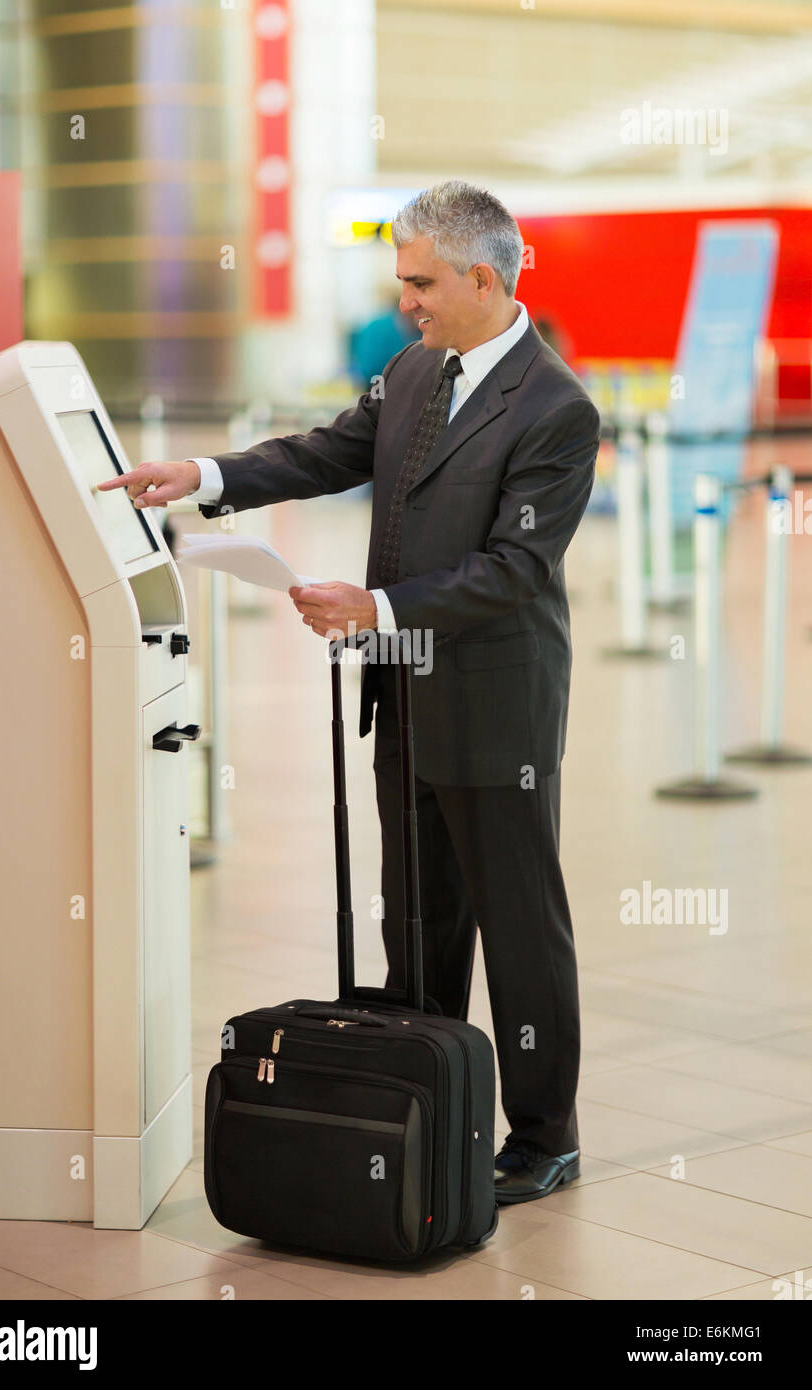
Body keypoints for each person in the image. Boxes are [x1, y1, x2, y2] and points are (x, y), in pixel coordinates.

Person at [100, 180, 600, 1204]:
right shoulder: (414, 372)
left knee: (516, 923)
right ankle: (425, 1098)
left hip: (493, 706)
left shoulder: (556, 406)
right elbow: (328, 452)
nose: (404, 299)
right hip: (405, 698)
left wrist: (373, 607)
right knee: (416, 919)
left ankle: (544, 1134)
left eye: (419, 282)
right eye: (400, 280)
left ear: (482, 277)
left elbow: (513, 569)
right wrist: (200, 473)